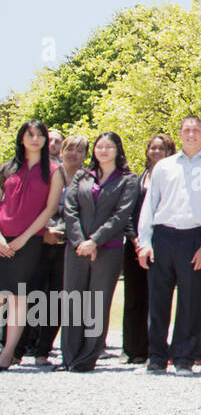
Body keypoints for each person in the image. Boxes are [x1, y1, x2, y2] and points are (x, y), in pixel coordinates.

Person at [136, 115, 201, 374]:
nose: (191, 134)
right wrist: (145, 242)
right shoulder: (164, 167)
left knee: (191, 301)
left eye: (196, 130)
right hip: (163, 236)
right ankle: (156, 356)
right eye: (186, 130)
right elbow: (149, 206)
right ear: (179, 134)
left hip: (195, 238)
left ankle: (183, 357)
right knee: (158, 300)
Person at [61, 132, 138, 371]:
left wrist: (95, 241)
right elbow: (70, 209)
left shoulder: (128, 179)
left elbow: (121, 216)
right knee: (73, 301)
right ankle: (70, 356)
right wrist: (80, 241)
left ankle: (86, 358)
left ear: (118, 150)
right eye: (99, 146)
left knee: (96, 303)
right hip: (77, 248)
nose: (103, 150)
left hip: (108, 249)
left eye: (109, 147)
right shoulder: (82, 176)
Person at [0, 121, 66, 370]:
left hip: (28, 242)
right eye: (30, 134)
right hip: (1, 239)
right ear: (21, 138)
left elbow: (50, 208)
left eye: (40, 135)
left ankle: (7, 353)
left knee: (17, 298)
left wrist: (24, 238)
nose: (35, 139)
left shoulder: (53, 171)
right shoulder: (8, 167)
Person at [28, 134, 87, 365]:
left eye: (79, 150)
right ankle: (18, 346)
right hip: (42, 240)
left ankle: (44, 349)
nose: (73, 153)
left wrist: (63, 231)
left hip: (69, 245)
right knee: (30, 294)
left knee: (57, 299)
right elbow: (37, 206)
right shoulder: (49, 174)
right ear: (62, 151)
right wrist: (46, 231)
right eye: (69, 148)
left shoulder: (87, 178)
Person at [122, 134, 173, 364]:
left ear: (170, 151)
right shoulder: (137, 179)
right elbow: (130, 213)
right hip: (135, 246)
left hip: (161, 245)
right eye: (152, 148)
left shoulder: (173, 177)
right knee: (134, 298)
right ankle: (132, 349)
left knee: (157, 299)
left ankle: (156, 347)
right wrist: (136, 239)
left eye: (161, 148)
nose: (156, 152)